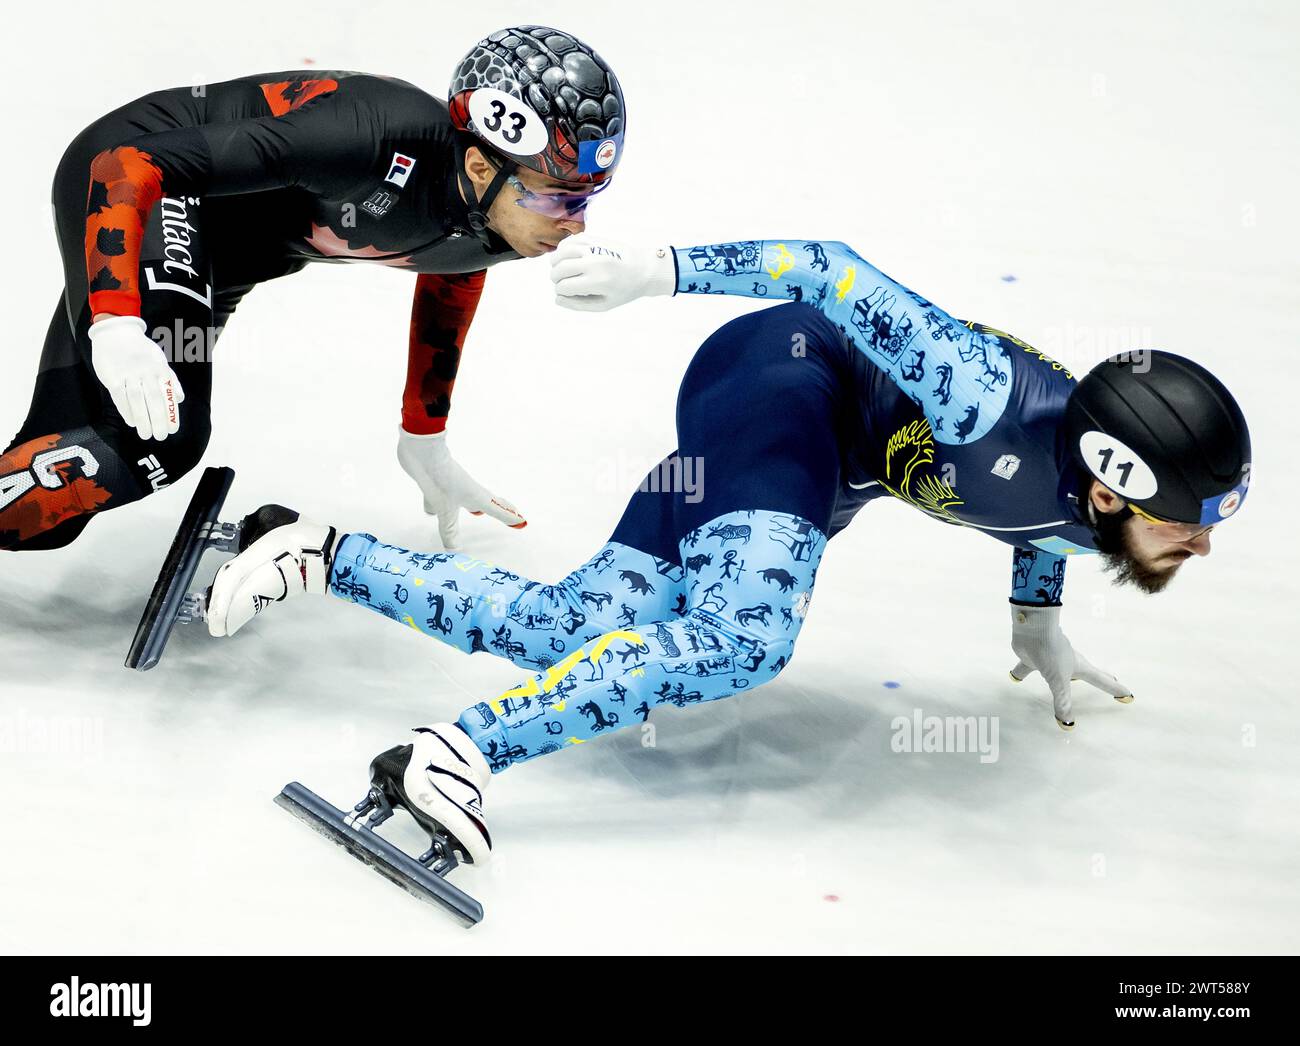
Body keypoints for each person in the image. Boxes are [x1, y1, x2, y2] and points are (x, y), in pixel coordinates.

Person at [192, 236, 1251, 865]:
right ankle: (457, 753)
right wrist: (661, 269)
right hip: (782, 377)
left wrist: (1036, 619)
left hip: (816, 464)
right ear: (1114, 480)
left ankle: (314, 549)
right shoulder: (983, 392)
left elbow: (1045, 522)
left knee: (570, 629)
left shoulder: (1096, 495)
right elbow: (826, 269)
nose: (1199, 545)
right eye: (1187, 522)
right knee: (743, 637)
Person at [0, 26, 626, 552]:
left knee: (53, 503)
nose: (574, 223)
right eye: (557, 197)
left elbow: (451, 280)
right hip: (146, 185)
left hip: (223, 254)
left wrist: (424, 436)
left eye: (586, 198)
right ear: (481, 166)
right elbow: (127, 166)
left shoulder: (503, 220)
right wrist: (115, 323)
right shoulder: (374, 136)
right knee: (165, 437)